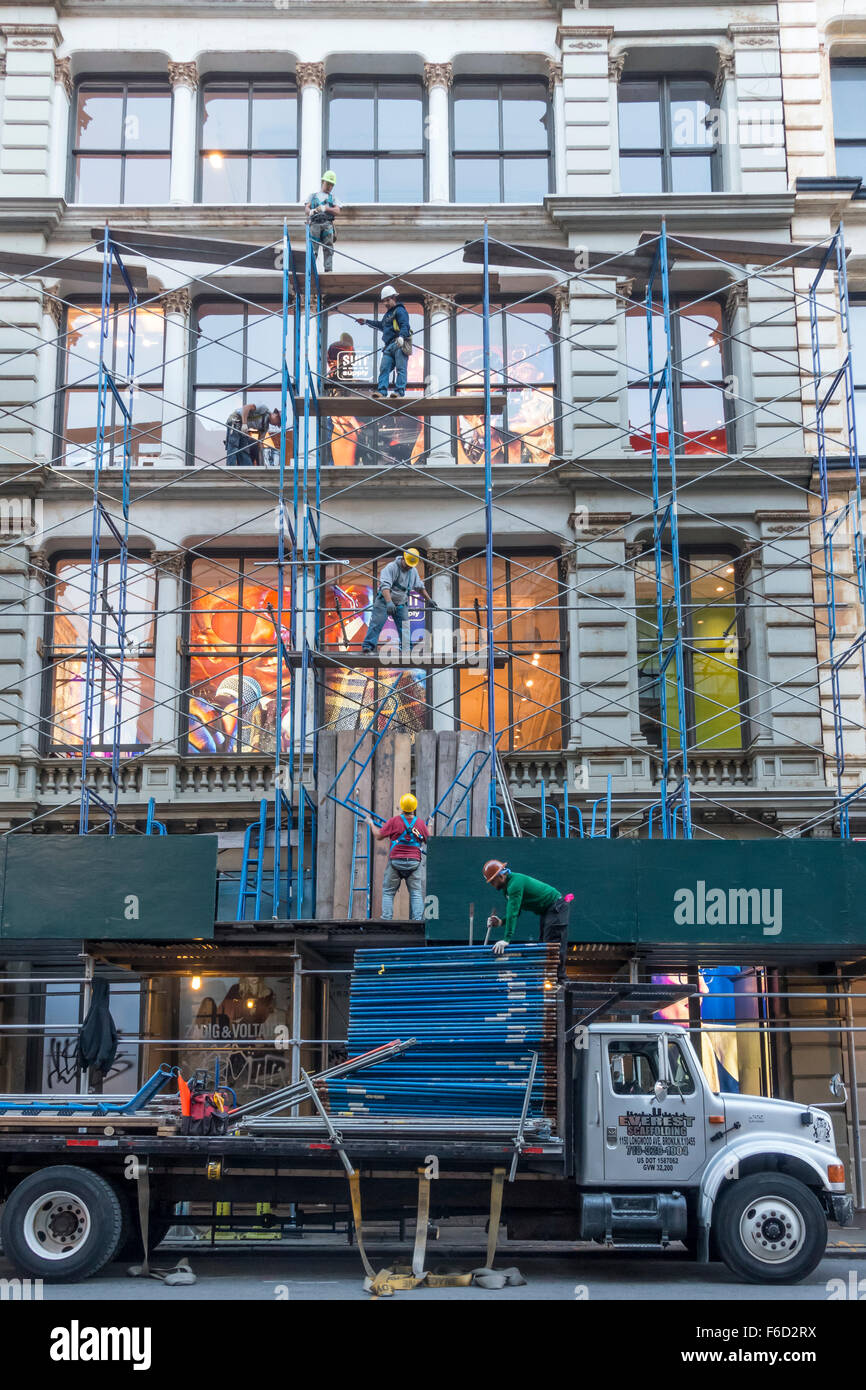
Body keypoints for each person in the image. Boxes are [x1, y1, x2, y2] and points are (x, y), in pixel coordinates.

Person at [482, 859, 571, 964]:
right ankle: (549, 978)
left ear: (501, 876)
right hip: (549, 910)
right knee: (545, 945)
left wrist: (506, 939)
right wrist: (501, 922)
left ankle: (560, 979)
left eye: (492, 881)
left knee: (552, 945)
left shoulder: (515, 884)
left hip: (556, 907)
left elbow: (513, 913)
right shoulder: (507, 889)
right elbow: (516, 911)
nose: (492, 884)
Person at [366, 793, 430, 920]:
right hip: (414, 863)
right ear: (414, 807)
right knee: (416, 893)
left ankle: (386, 918)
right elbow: (429, 840)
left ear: (402, 807)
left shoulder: (394, 821)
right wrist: (431, 825)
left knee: (388, 892)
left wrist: (371, 824)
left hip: (396, 862)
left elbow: (378, 836)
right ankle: (418, 920)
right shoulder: (420, 824)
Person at [361, 547, 435, 655]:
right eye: (408, 564)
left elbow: (419, 587)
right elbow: (385, 586)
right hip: (384, 602)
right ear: (403, 558)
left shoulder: (412, 571)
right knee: (376, 624)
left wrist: (429, 600)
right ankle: (368, 646)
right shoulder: (391, 568)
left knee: (405, 627)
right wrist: (389, 602)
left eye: (411, 566)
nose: (409, 567)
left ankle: (406, 649)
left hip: (401, 603)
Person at [356, 286, 411, 398]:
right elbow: (381, 325)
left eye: (387, 300)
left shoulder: (400, 310)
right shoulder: (388, 315)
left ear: (394, 298)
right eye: (384, 301)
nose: (385, 303)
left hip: (398, 344)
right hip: (389, 346)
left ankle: (399, 392)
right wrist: (366, 322)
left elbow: (405, 325)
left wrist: (401, 336)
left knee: (400, 369)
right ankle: (382, 392)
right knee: (384, 368)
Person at [225, 402, 281, 467]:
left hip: (243, 429)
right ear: (276, 415)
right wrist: (244, 424)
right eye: (278, 423)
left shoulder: (265, 426)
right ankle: (231, 468)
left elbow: (260, 443)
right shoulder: (264, 409)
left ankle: (245, 469)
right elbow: (246, 408)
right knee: (234, 446)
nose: (276, 425)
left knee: (244, 450)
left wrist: (261, 463)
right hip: (235, 420)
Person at [305, 171, 340, 272]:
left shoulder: (332, 198)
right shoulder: (313, 196)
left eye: (331, 185)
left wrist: (326, 208)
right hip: (315, 224)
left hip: (327, 224)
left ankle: (328, 269)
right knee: (313, 248)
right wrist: (311, 211)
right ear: (322, 182)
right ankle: (310, 270)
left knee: (328, 247)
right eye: (328, 184)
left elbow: (337, 210)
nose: (329, 187)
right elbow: (306, 208)